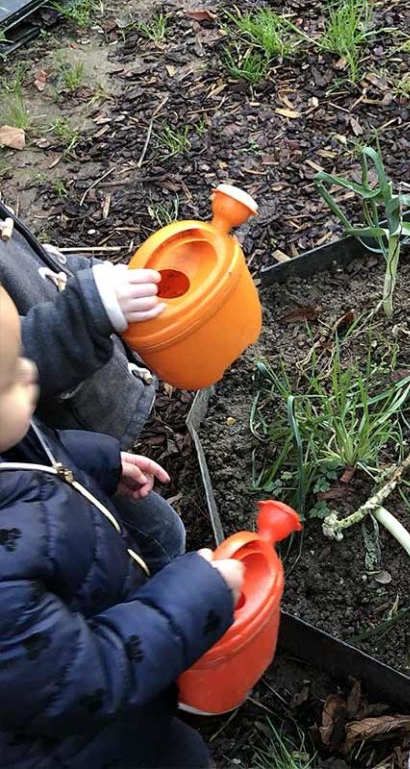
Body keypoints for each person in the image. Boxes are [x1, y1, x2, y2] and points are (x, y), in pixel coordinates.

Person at [0, 286, 244, 767]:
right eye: (9, 376)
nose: (30, 370)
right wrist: (197, 597)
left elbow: (38, 453)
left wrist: (101, 463)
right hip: (80, 746)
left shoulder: (9, 436)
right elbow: (85, 679)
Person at [0, 199, 184, 572]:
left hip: (52, 456)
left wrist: (90, 462)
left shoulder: (17, 435)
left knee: (163, 535)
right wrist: (188, 607)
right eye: (10, 378)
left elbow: (33, 266)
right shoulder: (17, 562)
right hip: (62, 523)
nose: (29, 375)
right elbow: (82, 633)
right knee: (148, 556)